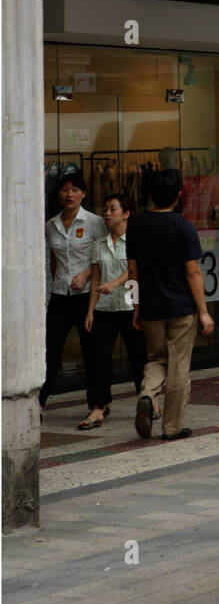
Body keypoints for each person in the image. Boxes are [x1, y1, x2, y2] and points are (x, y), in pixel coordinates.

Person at [127, 168, 214, 442]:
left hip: (151, 307)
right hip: (181, 308)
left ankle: (147, 394)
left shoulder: (136, 226)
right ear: (179, 195)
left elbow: (133, 271)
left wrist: (137, 307)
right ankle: (171, 427)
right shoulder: (184, 227)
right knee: (178, 366)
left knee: (155, 359)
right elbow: (193, 272)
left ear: (151, 194)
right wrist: (203, 311)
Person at [41, 170, 107, 422]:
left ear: (84, 193)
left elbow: (103, 257)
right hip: (60, 294)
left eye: (75, 190)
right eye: (64, 190)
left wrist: (87, 273)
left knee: (92, 351)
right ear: (58, 193)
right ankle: (38, 404)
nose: (69, 195)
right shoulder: (52, 224)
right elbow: (54, 259)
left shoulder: (94, 222)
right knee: (51, 351)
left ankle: (98, 405)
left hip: (87, 296)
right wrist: (54, 286)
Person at [81, 194, 148, 430]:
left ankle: (148, 401)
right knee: (99, 360)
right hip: (105, 309)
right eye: (105, 209)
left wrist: (115, 284)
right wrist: (90, 310)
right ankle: (98, 407)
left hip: (131, 306)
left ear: (126, 213)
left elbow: (134, 271)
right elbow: (96, 277)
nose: (107, 214)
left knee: (138, 357)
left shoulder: (137, 240)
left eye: (113, 209)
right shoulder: (99, 244)